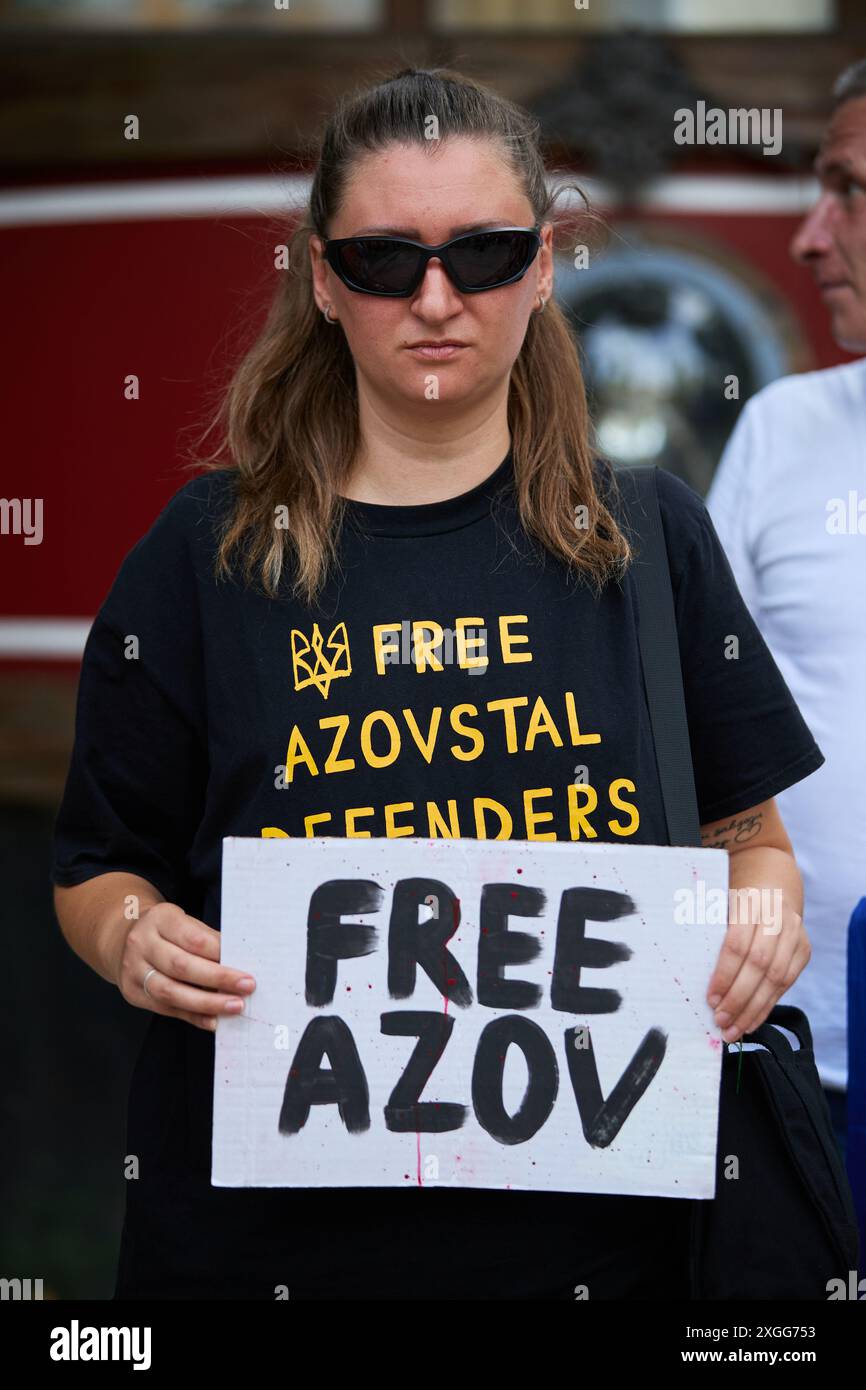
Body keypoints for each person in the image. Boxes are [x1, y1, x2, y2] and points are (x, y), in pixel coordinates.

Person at [51, 67, 824, 1301]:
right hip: (260, 1255)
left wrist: (762, 927)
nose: (433, 297)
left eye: (481, 252)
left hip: (598, 1253)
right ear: (320, 278)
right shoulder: (204, 554)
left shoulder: (647, 537)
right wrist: (136, 941)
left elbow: (752, 843)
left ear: (542, 264)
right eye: (381, 259)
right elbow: (98, 869)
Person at [707, 59, 866, 1158]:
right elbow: (695, 721)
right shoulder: (778, 428)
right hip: (790, 1056)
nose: (810, 238)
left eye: (847, 190)